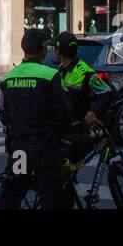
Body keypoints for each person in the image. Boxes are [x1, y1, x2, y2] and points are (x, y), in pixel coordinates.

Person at [0, 30, 62, 209]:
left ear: (24, 49)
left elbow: (4, 115)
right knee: (50, 195)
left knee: (15, 188)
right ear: (42, 49)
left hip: (18, 148)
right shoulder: (51, 75)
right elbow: (62, 114)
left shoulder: (8, 77)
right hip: (44, 149)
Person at [50, 31, 112, 165]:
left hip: (78, 131)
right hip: (65, 128)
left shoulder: (86, 73)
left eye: (55, 49)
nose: (53, 52)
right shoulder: (62, 69)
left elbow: (107, 93)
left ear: (59, 52)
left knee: (65, 170)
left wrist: (93, 112)